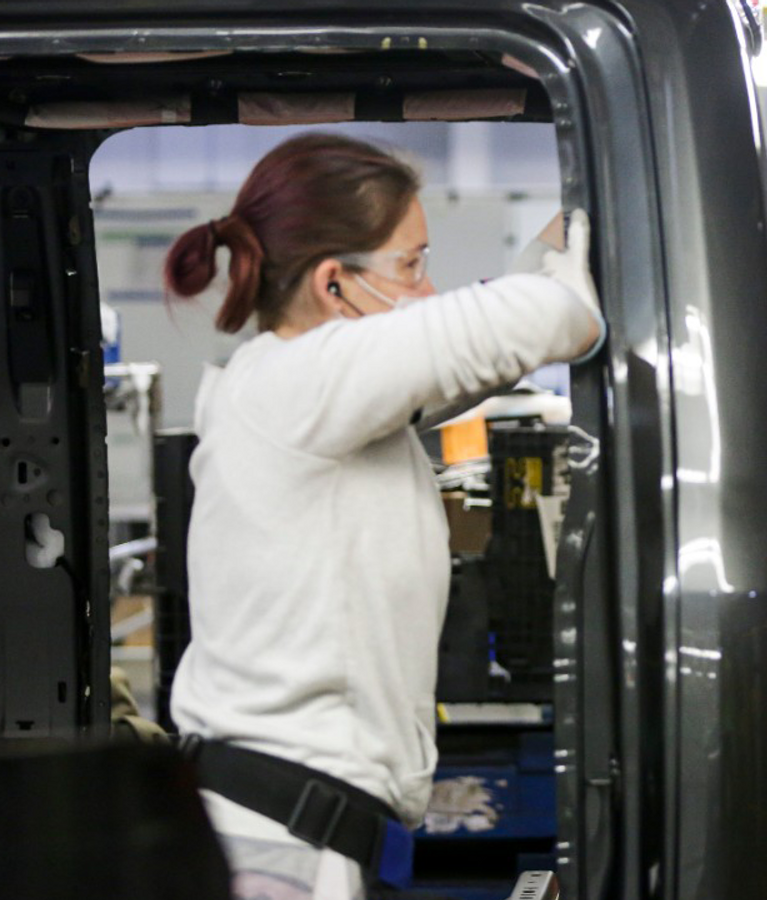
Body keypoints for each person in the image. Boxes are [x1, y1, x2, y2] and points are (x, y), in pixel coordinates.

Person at [162, 132, 603, 900]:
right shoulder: (296, 384)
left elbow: (466, 364)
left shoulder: (319, 396)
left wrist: (575, 225)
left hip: (313, 830)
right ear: (334, 283)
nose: (429, 291)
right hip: (284, 850)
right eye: (413, 265)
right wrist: (576, 283)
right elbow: (549, 319)